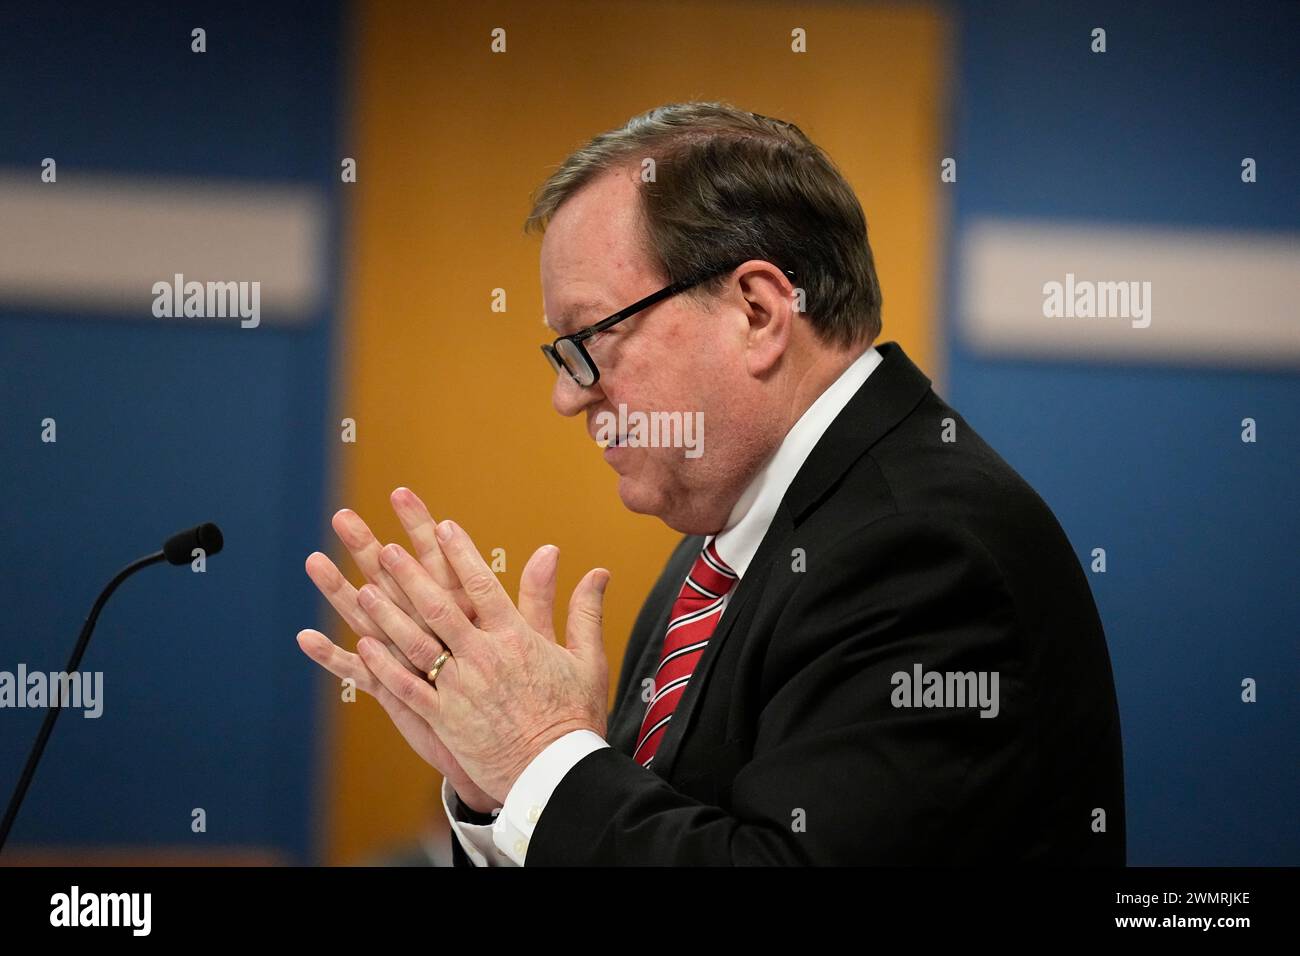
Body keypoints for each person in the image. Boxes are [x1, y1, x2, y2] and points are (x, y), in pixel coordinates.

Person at [297, 102, 1126, 866]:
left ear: (759, 313)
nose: (567, 394)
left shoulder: (921, 548)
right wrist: (503, 791)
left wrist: (543, 760)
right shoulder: (723, 544)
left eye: (589, 338)